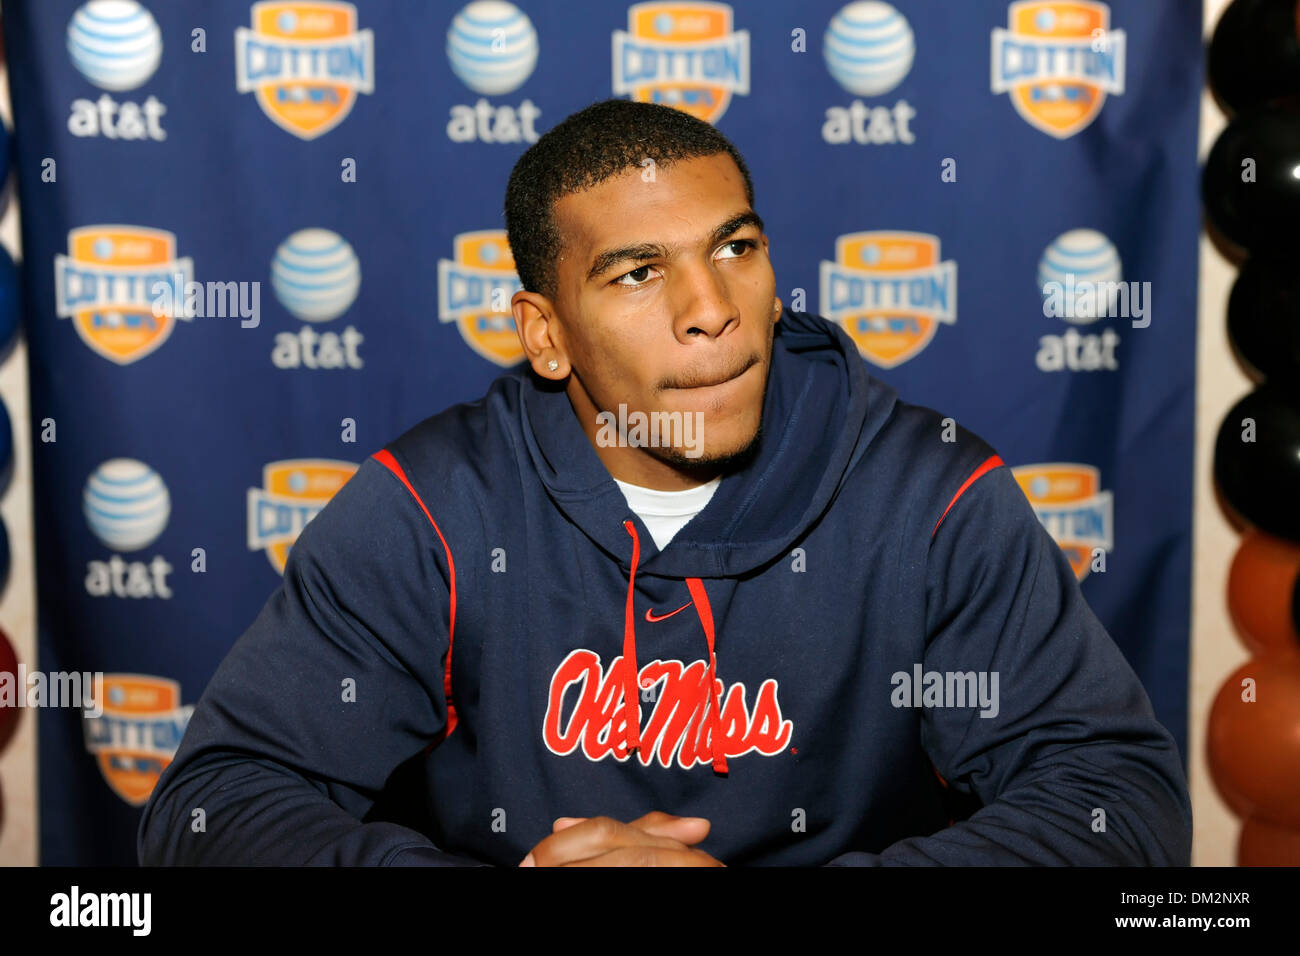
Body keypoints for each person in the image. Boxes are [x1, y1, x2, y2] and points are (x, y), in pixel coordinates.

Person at [138, 99, 1191, 867]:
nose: (710, 307)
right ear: (545, 335)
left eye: (735, 246)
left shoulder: (930, 495)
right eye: (638, 272)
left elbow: (1119, 802)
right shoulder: (434, 506)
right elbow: (211, 808)